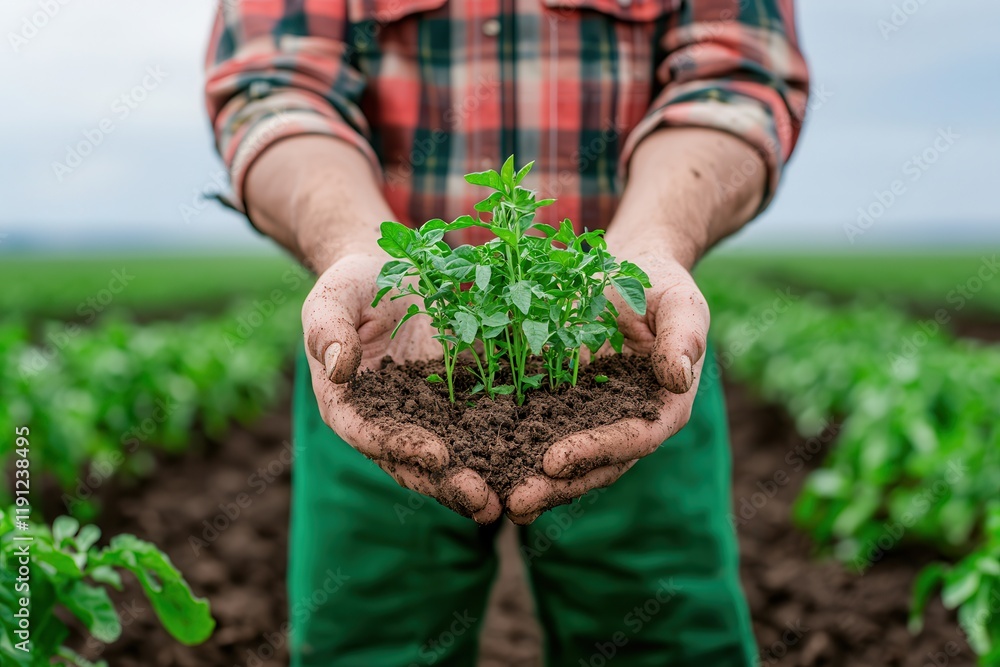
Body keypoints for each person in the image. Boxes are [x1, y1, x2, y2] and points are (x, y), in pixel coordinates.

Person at [205, 1, 809, 664]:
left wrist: (652, 242)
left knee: (664, 642)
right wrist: (354, 244)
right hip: (379, 352)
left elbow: (740, 78)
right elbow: (271, 88)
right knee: (373, 644)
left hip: (627, 348)